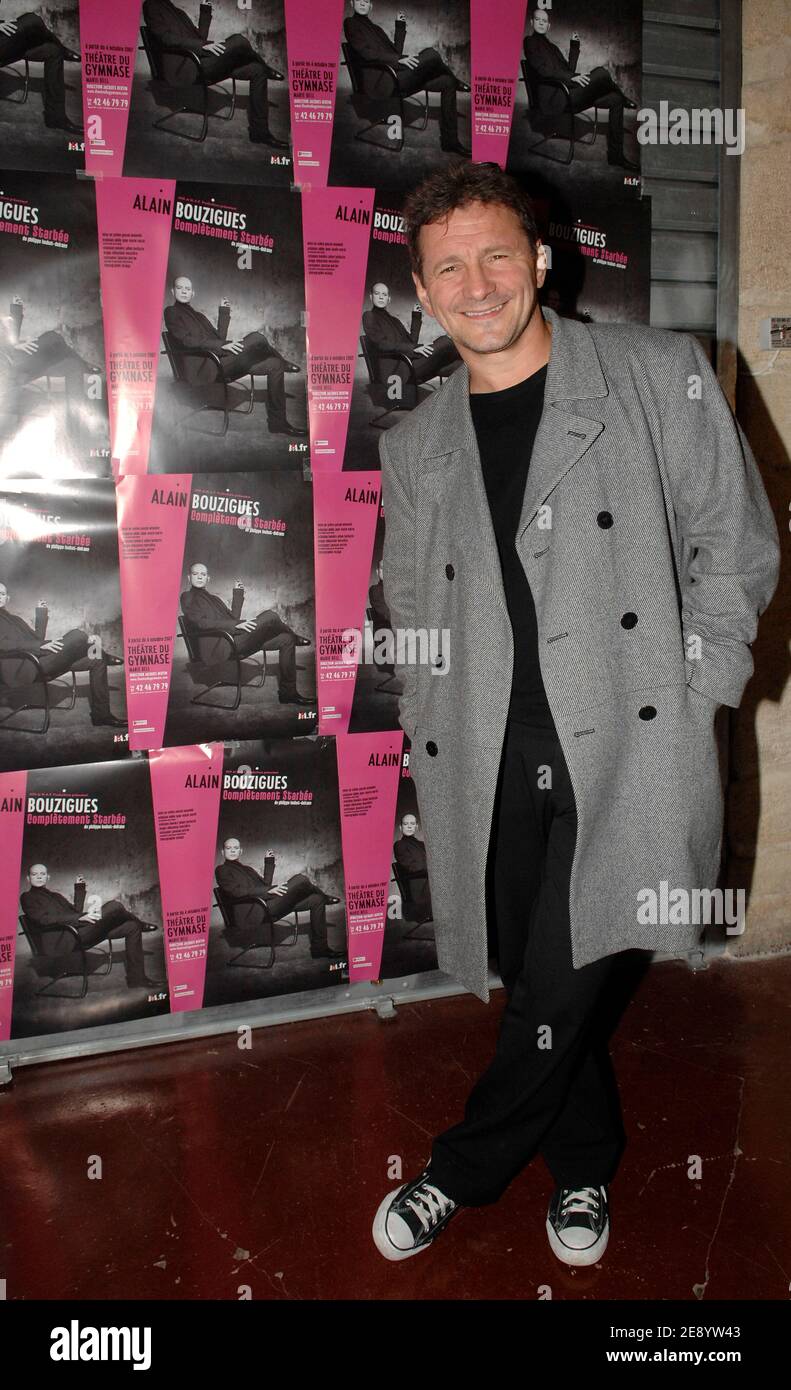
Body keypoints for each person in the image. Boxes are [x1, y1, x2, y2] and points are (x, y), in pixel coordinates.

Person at [372, 161, 780, 1264]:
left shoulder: (656, 376)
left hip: (629, 739)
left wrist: (702, 687)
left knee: (561, 967)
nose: (477, 282)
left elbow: (734, 548)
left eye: (498, 253)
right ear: (420, 288)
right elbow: (407, 596)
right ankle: (586, 1168)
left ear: (541, 260)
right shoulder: (415, 444)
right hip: (487, 753)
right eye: (447, 265)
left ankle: (461, 1167)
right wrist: (423, 713)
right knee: (549, 966)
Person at [163, 276, 306, 437]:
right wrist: (221, 345)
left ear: (192, 294)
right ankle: (283, 360)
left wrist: (223, 313)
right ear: (173, 291)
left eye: (187, 289)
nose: (184, 291)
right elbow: (186, 340)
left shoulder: (199, 316)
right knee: (257, 337)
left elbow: (219, 338)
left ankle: (278, 423)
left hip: (220, 361)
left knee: (275, 365)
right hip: (206, 369)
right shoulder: (171, 312)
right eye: (180, 288)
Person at [142, 0, 288, 147]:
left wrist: (205, 10)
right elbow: (166, 39)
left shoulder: (175, 10)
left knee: (258, 70)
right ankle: (267, 67)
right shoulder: (151, 5)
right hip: (187, 69)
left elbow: (200, 38)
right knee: (239, 40)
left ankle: (259, 133)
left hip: (202, 62)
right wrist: (204, 46)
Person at [344, 0, 470, 155]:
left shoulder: (376, 29)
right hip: (384, 82)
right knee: (431, 53)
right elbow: (367, 54)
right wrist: (398, 60)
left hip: (398, 76)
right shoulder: (350, 23)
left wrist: (399, 27)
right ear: (352, 3)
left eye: (367, 1)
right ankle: (457, 81)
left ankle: (450, 142)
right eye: (359, 0)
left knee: (447, 82)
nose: (363, 3)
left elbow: (395, 51)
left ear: (371, 6)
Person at [179, 562, 313, 707]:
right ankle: (295, 636)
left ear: (208, 579)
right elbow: (201, 623)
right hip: (224, 645)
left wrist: (237, 594)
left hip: (235, 639)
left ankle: (288, 693)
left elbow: (233, 618)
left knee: (286, 640)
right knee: (270, 615)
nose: (199, 577)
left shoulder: (215, 599)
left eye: (203, 574)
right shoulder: (187, 597)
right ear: (188, 577)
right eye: (195, 574)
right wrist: (235, 625)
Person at [523, 6, 638, 171]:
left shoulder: (553, 48)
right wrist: (571, 77)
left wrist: (574, 46)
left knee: (615, 100)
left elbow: (568, 70)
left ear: (548, 26)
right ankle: (624, 96)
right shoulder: (530, 42)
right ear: (532, 22)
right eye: (538, 20)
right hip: (557, 99)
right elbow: (543, 70)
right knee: (601, 72)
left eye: (545, 21)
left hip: (570, 93)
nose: (541, 23)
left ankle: (616, 156)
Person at [0, 581, 126, 729]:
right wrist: (39, 646)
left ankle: (102, 716)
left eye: (2, 594)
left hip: (43, 660)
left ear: (7, 598)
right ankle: (104, 654)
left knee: (97, 659)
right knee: (77, 635)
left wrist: (41, 614)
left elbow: (37, 639)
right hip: (28, 668)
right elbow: (4, 644)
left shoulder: (15, 620)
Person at [20, 864, 162, 990]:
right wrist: (78, 918)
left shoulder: (56, 896)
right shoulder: (27, 897)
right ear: (28, 879)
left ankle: (137, 980)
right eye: (34, 874)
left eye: (42, 874)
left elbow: (75, 911)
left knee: (132, 927)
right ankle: (141, 923)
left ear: (47, 877)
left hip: (81, 932)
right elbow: (43, 920)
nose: (39, 877)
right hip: (67, 939)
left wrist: (79, 889)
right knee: (115, 905)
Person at [215, 837, 344, 961]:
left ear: (240, 851)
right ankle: (325, 896)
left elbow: (266, 885)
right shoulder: (222, 870)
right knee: (301, 879)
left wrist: (269, 862)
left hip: (269, 904)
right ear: (223, 852)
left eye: (235, 848)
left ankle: (320, 949)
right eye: (228, 848)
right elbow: (237, 892)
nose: (232, 850)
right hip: (256, 911)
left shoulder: (247, 869)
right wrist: (267, 891)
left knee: (316, 900)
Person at [0, 298, 103, 448]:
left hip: (12, 366)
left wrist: (13, 340)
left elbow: (5, 333)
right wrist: (13, 343)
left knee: (71, 364)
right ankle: (80, 361)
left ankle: (74, 427)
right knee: (53, 339)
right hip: (11, 372)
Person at [362, 282, 461, 404]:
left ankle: (459, 402)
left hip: (410, 362)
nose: (381, 297)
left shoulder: (394, 320)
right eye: (377, 293)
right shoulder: (369, 316)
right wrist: (414, 348)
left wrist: (416, 316)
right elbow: (381, 344)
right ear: (371, 297)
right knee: (446, 341)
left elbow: (411, 341)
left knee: (460, 364)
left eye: (384, 294)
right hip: (398, 370)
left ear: (389, 299)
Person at [0, 8, 82, 134]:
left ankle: (56, 118)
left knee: (53, 51)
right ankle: (63, 48)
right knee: (32, 19)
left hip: (4, 46)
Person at [393, 812, 432, 924]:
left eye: (412, 823)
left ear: (416, 827)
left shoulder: (422, 844)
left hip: (428, 882)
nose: (409, 826)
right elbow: (414, 868)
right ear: (401, 828)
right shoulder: (399, 845)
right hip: (419, 888)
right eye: (406, 824)